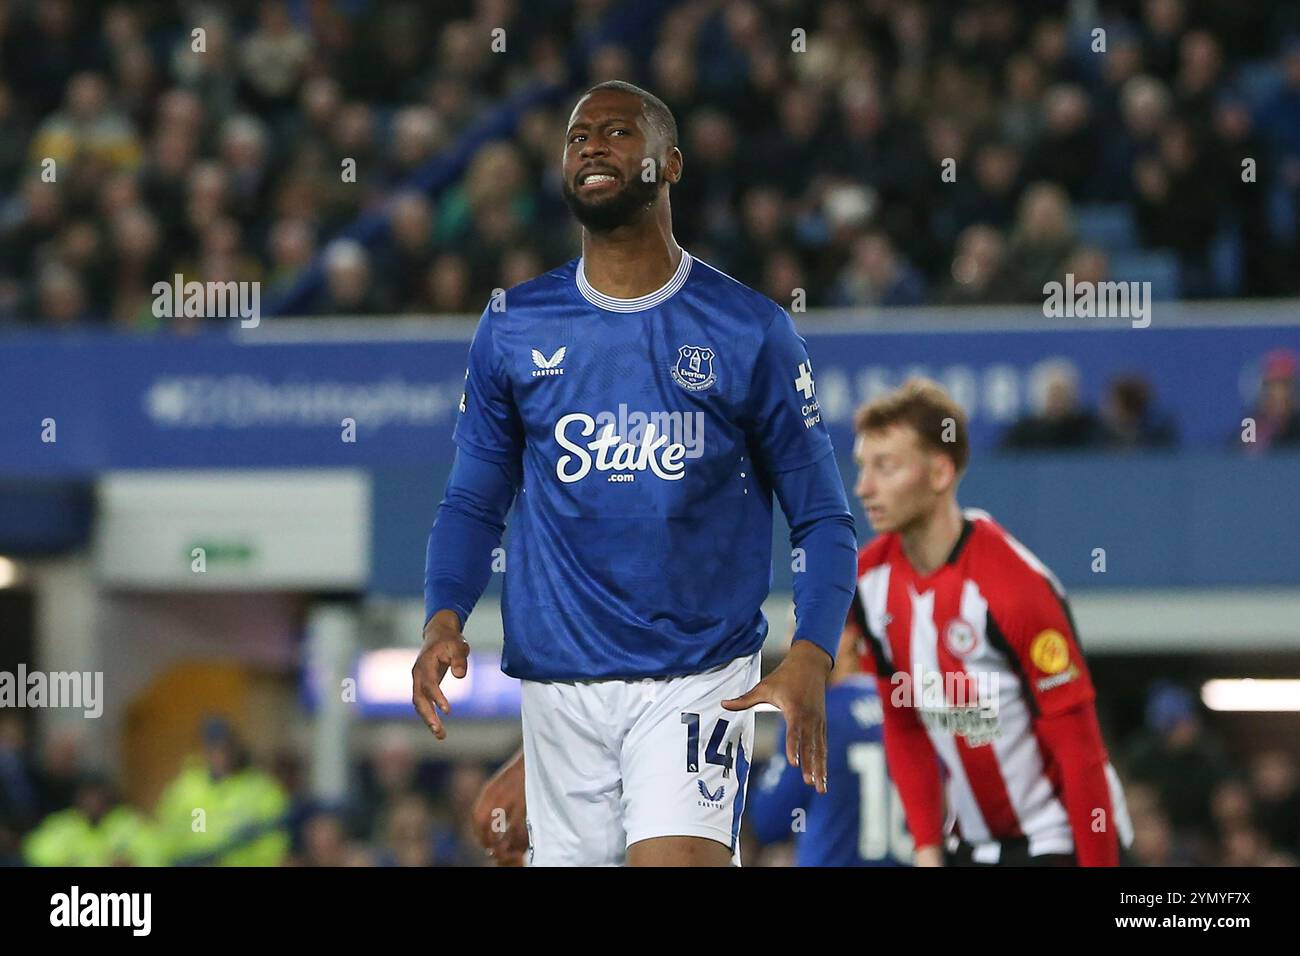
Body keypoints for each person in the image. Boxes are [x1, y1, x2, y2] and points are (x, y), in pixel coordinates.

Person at [415, 80, 858, 867]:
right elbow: (473, 499)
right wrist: (443, 615)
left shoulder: (750, 330)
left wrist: (811, 653)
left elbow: (823, 517)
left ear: (670, 164)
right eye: (577, 136)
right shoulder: (514, 325)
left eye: (617, 132)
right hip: (558, 688)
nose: (590, 145)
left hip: (696, 677)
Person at [849, 378, 1131, 866]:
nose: (864, 487)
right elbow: (905, 723)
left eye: (885, 467)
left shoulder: (1014, 587)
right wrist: (927, 848)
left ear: (939, 472)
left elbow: (1080, 751)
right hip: (969, 848)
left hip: (1059, 843)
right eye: (862, 467)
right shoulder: (868, 581)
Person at [746, 625, 912, 866]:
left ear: (846, 638)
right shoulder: (907, 712)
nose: (786, 646)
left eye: (797, 630)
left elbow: (769, 821)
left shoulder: (815, 717)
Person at [153, 716, 289, 866]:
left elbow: (275, 844)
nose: (217, 755)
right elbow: (166, 837)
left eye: (223, 747)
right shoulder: (185, 789)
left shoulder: (261, 791)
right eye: (211, 748)